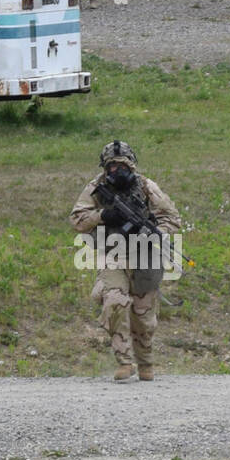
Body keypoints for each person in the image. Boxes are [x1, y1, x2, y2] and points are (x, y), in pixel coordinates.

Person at [69, 140, 180, 381]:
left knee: (143, 314)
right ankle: (125, 361)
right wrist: (103, 215)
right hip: (113, 254)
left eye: (121, 165)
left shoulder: (146, 187)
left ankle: (146, 364)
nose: (116, 171)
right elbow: (77, 219)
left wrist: (155, 231)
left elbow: (172, 218)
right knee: (115, 302)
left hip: (145, 255)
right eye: (111, 166)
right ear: (104, 168)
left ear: (132, 166)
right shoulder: (95, 187)